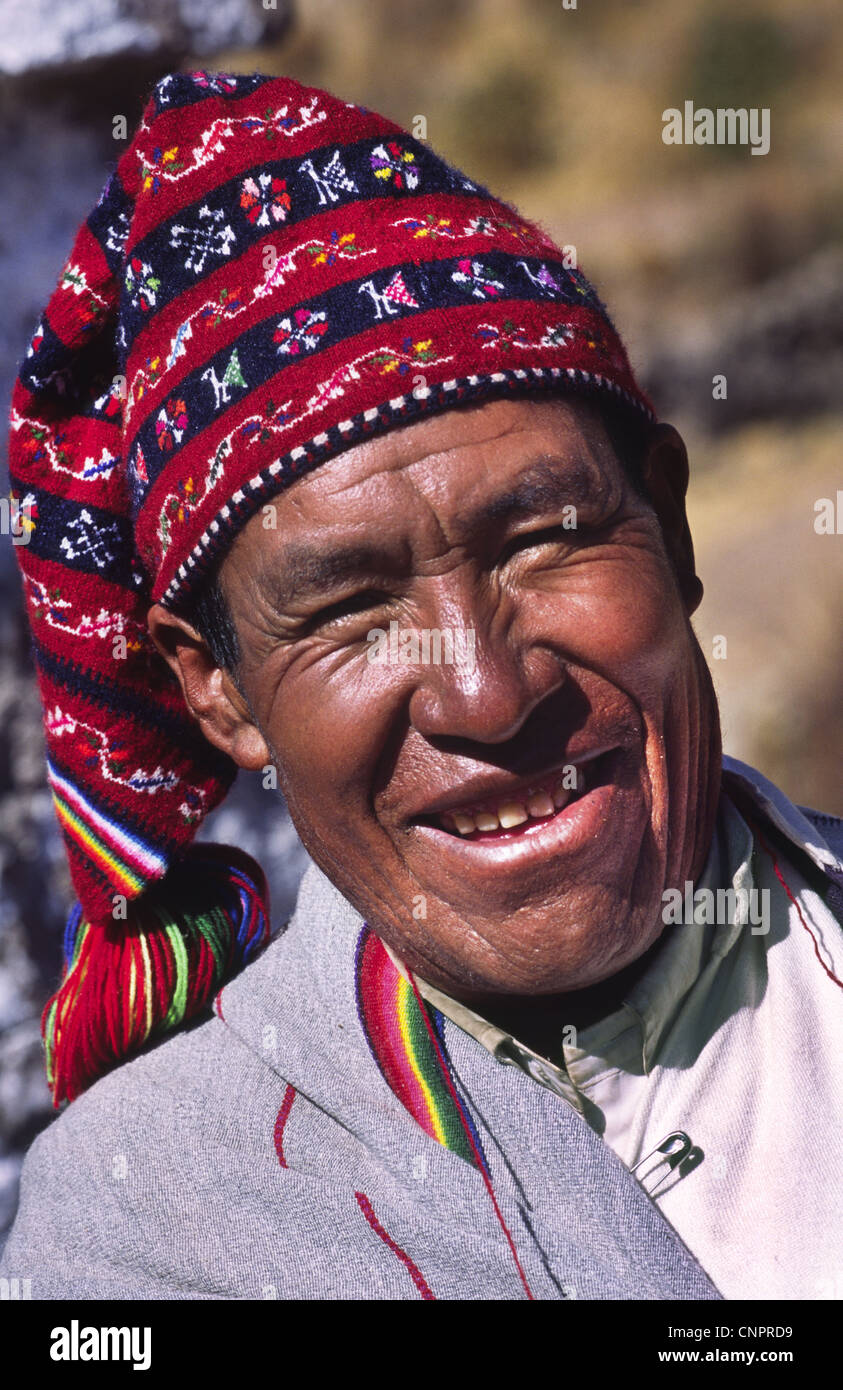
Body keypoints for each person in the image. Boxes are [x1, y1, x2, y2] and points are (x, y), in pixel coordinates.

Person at [1, 70, 841, 1302]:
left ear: (670, 524)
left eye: (544, 539)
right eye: (348, 610)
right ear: (218, 692)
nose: (489, 696)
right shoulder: (144, 1224)